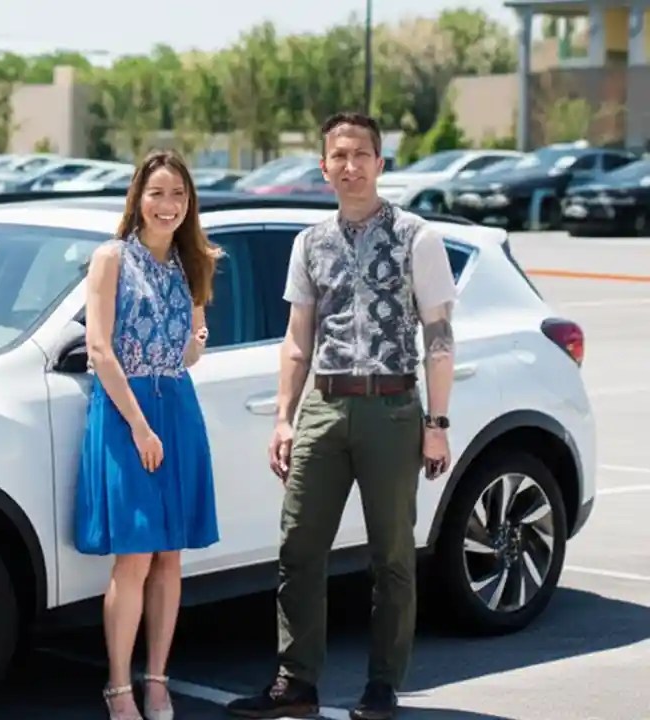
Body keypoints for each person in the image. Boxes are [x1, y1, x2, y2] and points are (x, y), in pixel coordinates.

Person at [225, 112, 457, 720]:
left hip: (392, 407)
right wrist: (284, 418)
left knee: (392, 556)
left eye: (361, 154)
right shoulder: (310, 243)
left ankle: (383, 685)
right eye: (338, 156)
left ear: (381, 163)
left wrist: (438, 424)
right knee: (299, 548)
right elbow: (297, 340)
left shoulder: (417, 237)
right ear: (323, 167)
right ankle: (296, 684)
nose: (350, 166)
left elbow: (439, 336)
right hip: (324, 408)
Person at [73, 149, 222, 720]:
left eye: (179, 195)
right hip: (125, 409)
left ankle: (157, 680)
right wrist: (138, 425)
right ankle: (118, 686)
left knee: (169, 556)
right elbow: (99, 348)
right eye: (157, 193)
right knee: (134, 557)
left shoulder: (191, 264)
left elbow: (187, 351)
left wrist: (198, 338)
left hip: (177, 405)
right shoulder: (111, 258)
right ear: (138, 197)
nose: (168, 206)